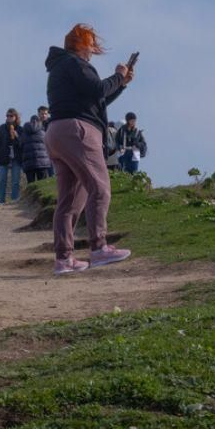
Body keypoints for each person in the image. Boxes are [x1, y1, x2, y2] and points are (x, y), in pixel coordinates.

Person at [44, 23, 134, 275]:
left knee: (70, 201)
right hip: (78, 131)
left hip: (57, 133)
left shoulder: (60, 67)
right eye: (91, 43)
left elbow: (96, 99)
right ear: (81, 44)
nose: (94, 49)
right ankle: (99, 248)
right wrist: (118, 74)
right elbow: (97, 90)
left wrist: (122, 84)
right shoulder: (75, 63)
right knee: (100, 188)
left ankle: (63, 259)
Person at [0, 108, 24, 202]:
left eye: (11, 116)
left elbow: (23, 143)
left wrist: (17, 136)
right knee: (2, 180)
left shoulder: (20, 129)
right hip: (3, 158)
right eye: (7, 116)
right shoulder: (2, 127)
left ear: (16, 117)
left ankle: (14, 200)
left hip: (16, 158)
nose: (9, 117)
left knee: (15, 181)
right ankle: (1, 200)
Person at [20, 115, 51, 182]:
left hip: (29, 163)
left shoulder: (24, 133)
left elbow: (21, 146)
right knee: (43, 185)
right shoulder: (43, 133)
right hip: (42, 162)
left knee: (31, 185)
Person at [37, 105, 55, 177]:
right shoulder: (35, 124)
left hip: (51, 149)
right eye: (42, 114)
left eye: (45, 114)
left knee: (52, 172)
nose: (44, 115)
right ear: (38, 114)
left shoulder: (52, 122)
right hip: (40, 151)